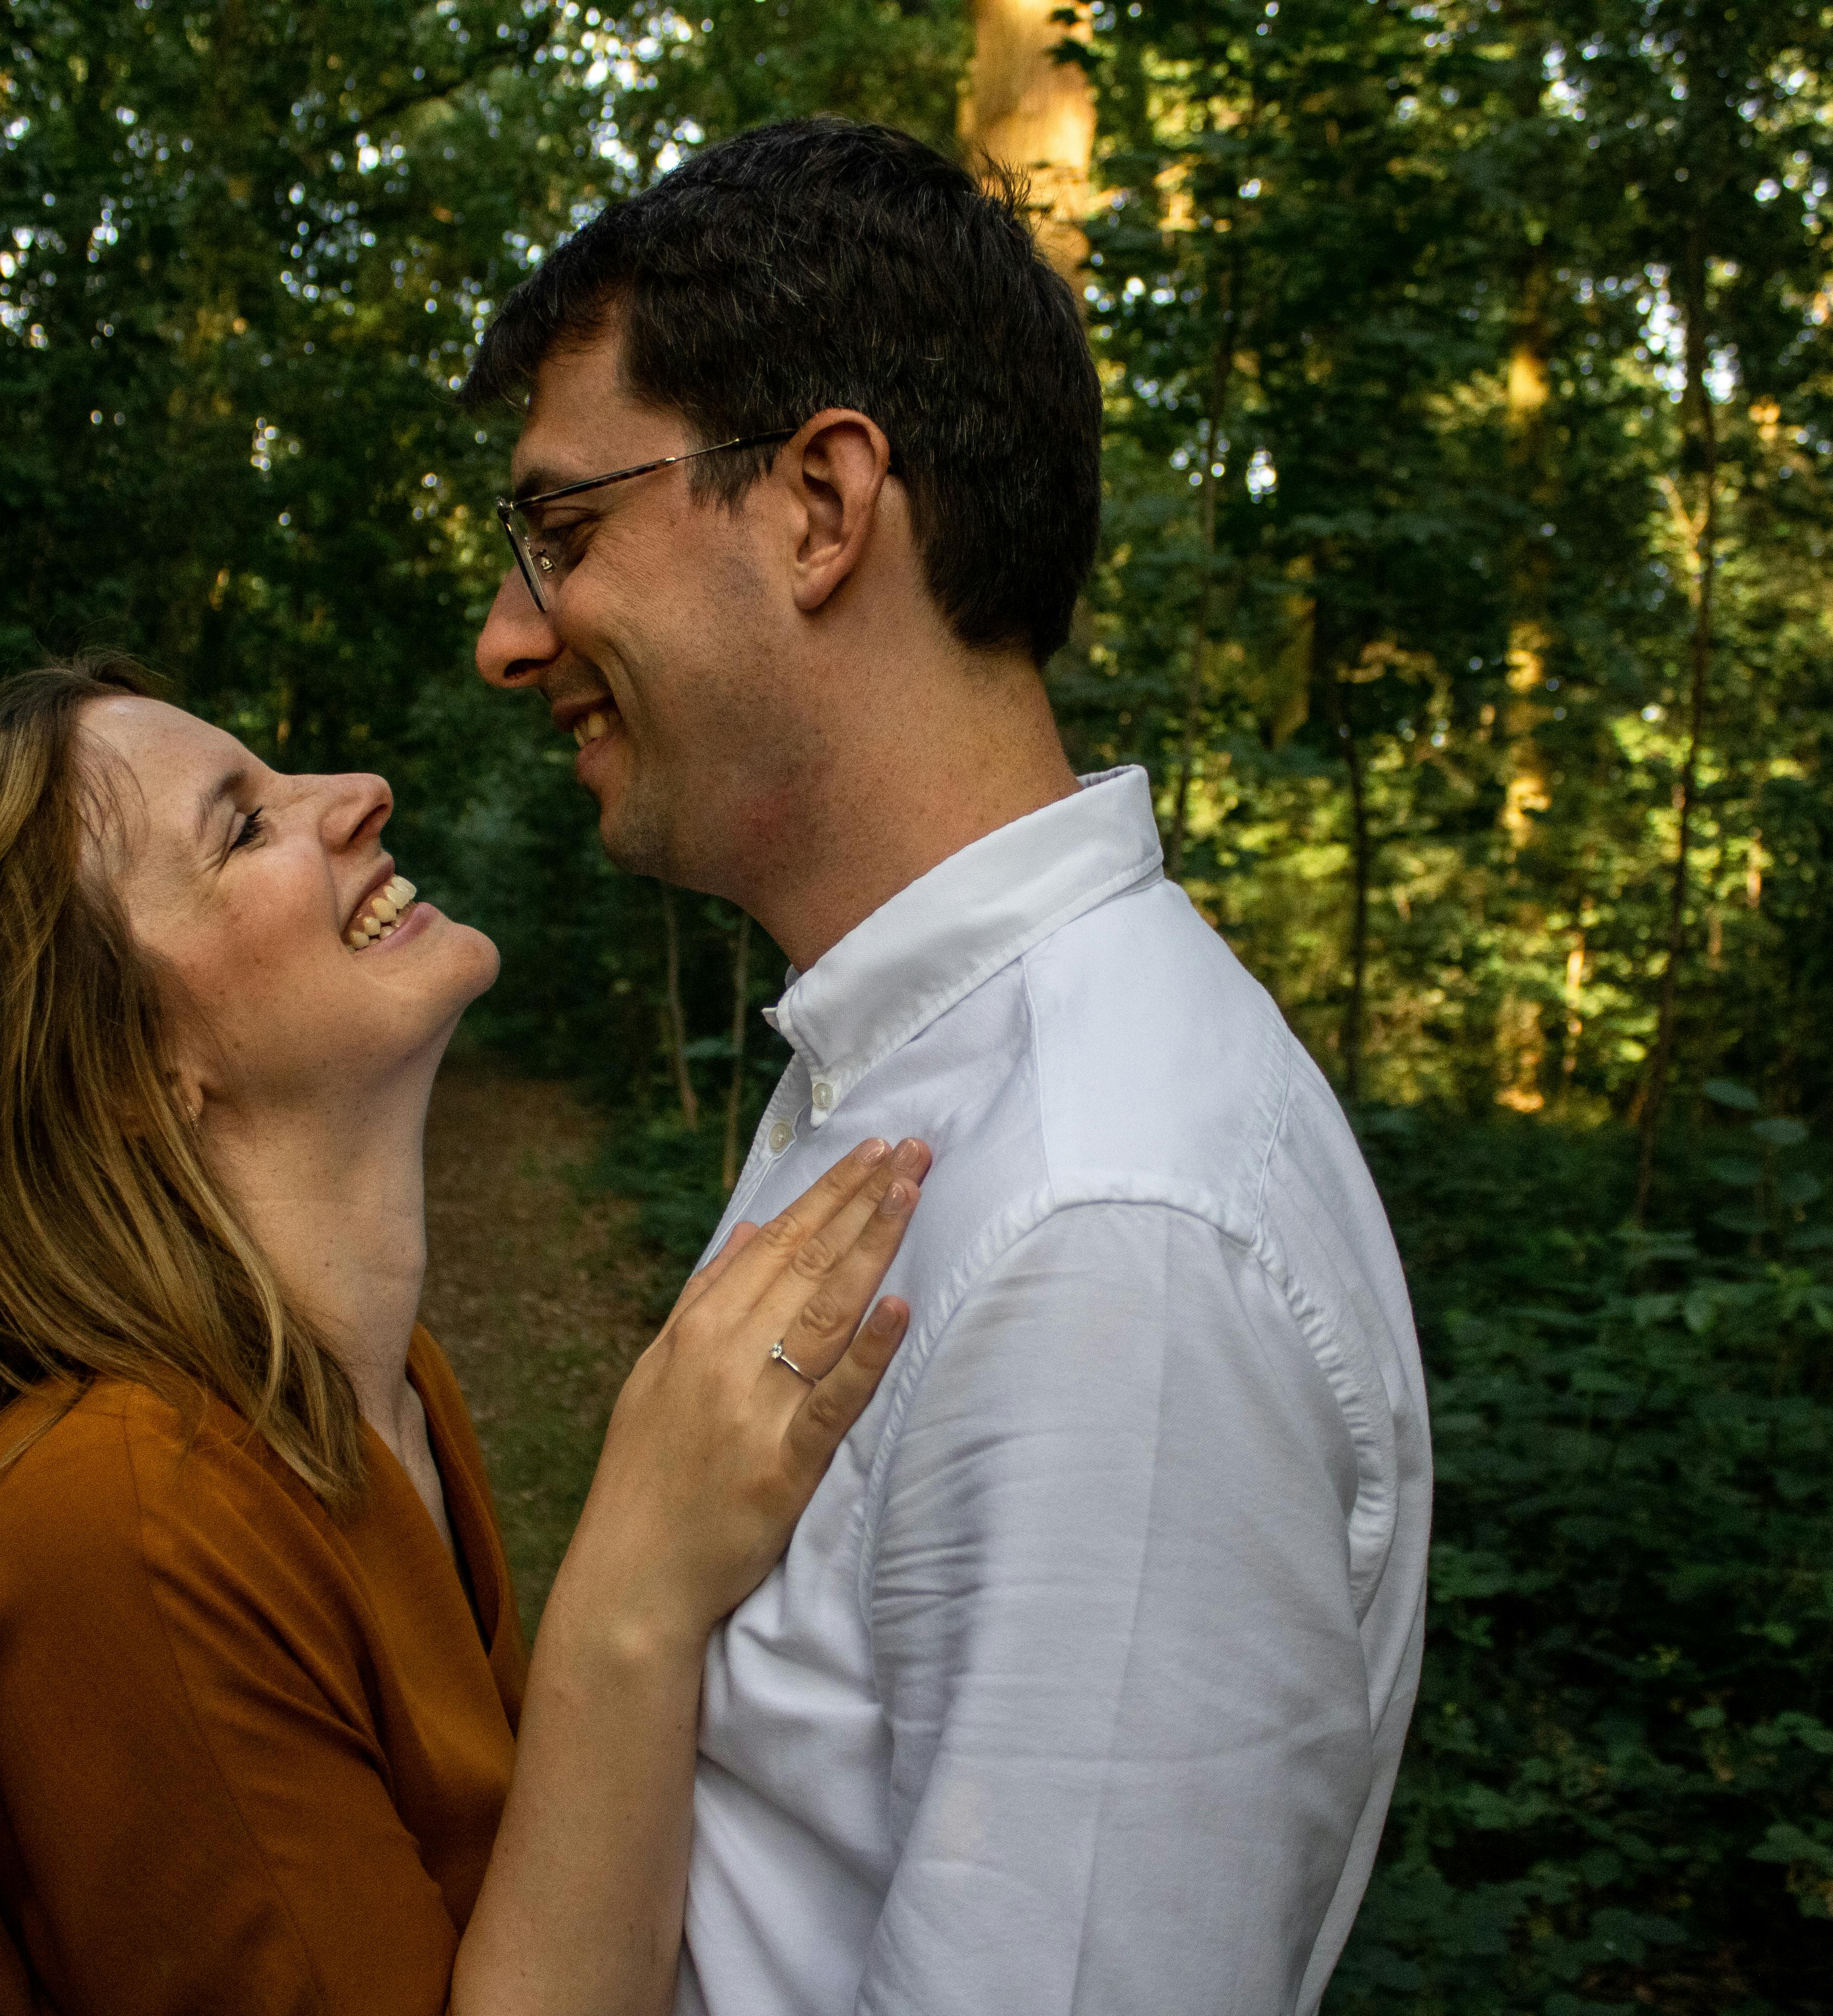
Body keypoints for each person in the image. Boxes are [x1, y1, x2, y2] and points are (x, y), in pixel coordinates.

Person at [465, 117, 1434, 2015]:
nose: (512, 638)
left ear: (823, 508)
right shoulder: (904, 1068)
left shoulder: (1107, 1237)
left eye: (564, 533)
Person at [0, 656, 934, 2015]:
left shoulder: (384, 1392)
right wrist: (636, 1592)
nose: (361, 794)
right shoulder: (115, 1521)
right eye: (244, 828)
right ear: (128, 1076)